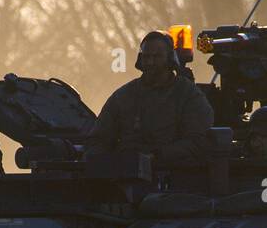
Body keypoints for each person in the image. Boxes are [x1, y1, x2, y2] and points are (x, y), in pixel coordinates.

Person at [84, 31, 214, 164]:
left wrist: (158, 156)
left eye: (157, 57)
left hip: (174, 173)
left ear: (169, 59)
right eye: (146, 57)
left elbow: (199, 141)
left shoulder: (188, 95)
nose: (151, 62)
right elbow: (97, 139)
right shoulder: (123, 96)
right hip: (125, 173)